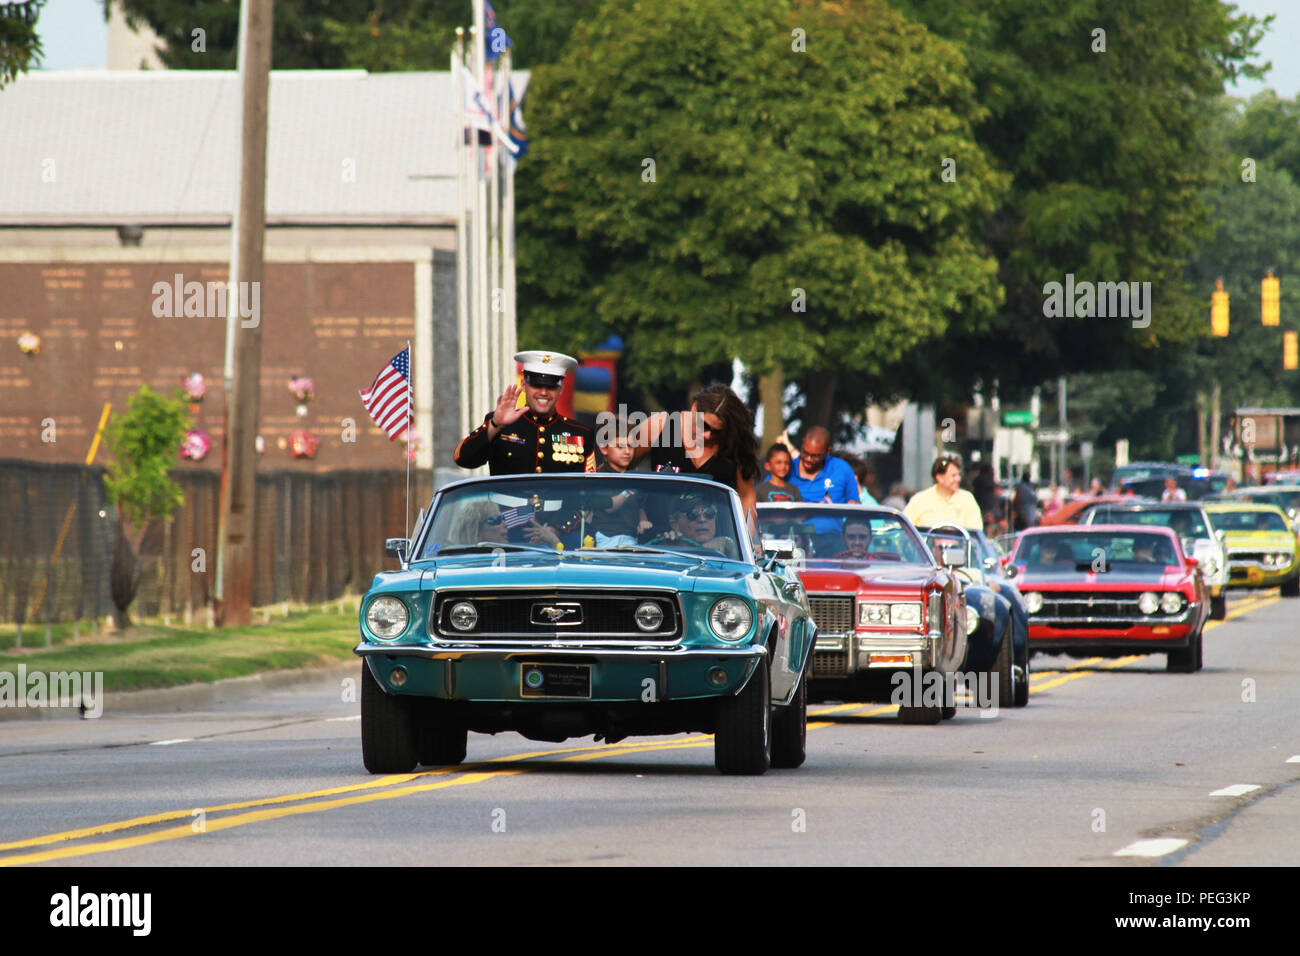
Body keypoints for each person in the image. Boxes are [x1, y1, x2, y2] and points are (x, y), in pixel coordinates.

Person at [454, 350, 596, 474]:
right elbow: (463, 459)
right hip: (507, 506)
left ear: (561, 389)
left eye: (551, 387)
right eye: (536, 385)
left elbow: (587, 489)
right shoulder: (499, 424)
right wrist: (495, 425)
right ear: (523, 385)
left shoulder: (581, 433)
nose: (543, 392)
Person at [628, 383, 760, 518]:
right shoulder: (660, 425)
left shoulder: (734, 444)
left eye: (717, 431)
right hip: (656, 532)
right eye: (704, 425)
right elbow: (619, 467)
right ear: (694, 407)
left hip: (716, 535)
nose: (707, 435)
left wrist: (747, 536)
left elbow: (747, 497)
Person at [591, 436, 651, 547]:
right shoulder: (601, 478)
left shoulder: (633, 479)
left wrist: (643, 521)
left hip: (631, 539)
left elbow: (639, 506)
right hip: (606, 538)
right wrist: (627, 492)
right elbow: (609, 506)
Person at [645, 493, 737, 558]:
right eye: (692, 514)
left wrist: (730, 548)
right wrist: (668, 547)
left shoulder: (728, 546)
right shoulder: (667, 545)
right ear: (675, 525)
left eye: (709, 513)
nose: (702, 519)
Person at [904, 454, 983, 530]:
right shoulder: (920, 500)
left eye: (959, 475)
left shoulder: (967, 499)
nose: (958, 479)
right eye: (953, 475)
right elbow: (904, 528)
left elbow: (975, 531)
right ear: (939, 478)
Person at [787, 426, 860, 504]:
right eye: (805, 453)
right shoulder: (787, 470)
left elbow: (855, 502)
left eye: (815, 456)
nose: (808, 459)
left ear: (827, 452)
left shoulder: (842, 469)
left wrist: (853, 504)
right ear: (803, 443)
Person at [972, 463, 997, 529]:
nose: (993, 473)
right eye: (992, 471)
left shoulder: (978, 479)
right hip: (985, 508)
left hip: (984, 507)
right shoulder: (984, 480)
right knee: (988, 526)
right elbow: (997, 490)